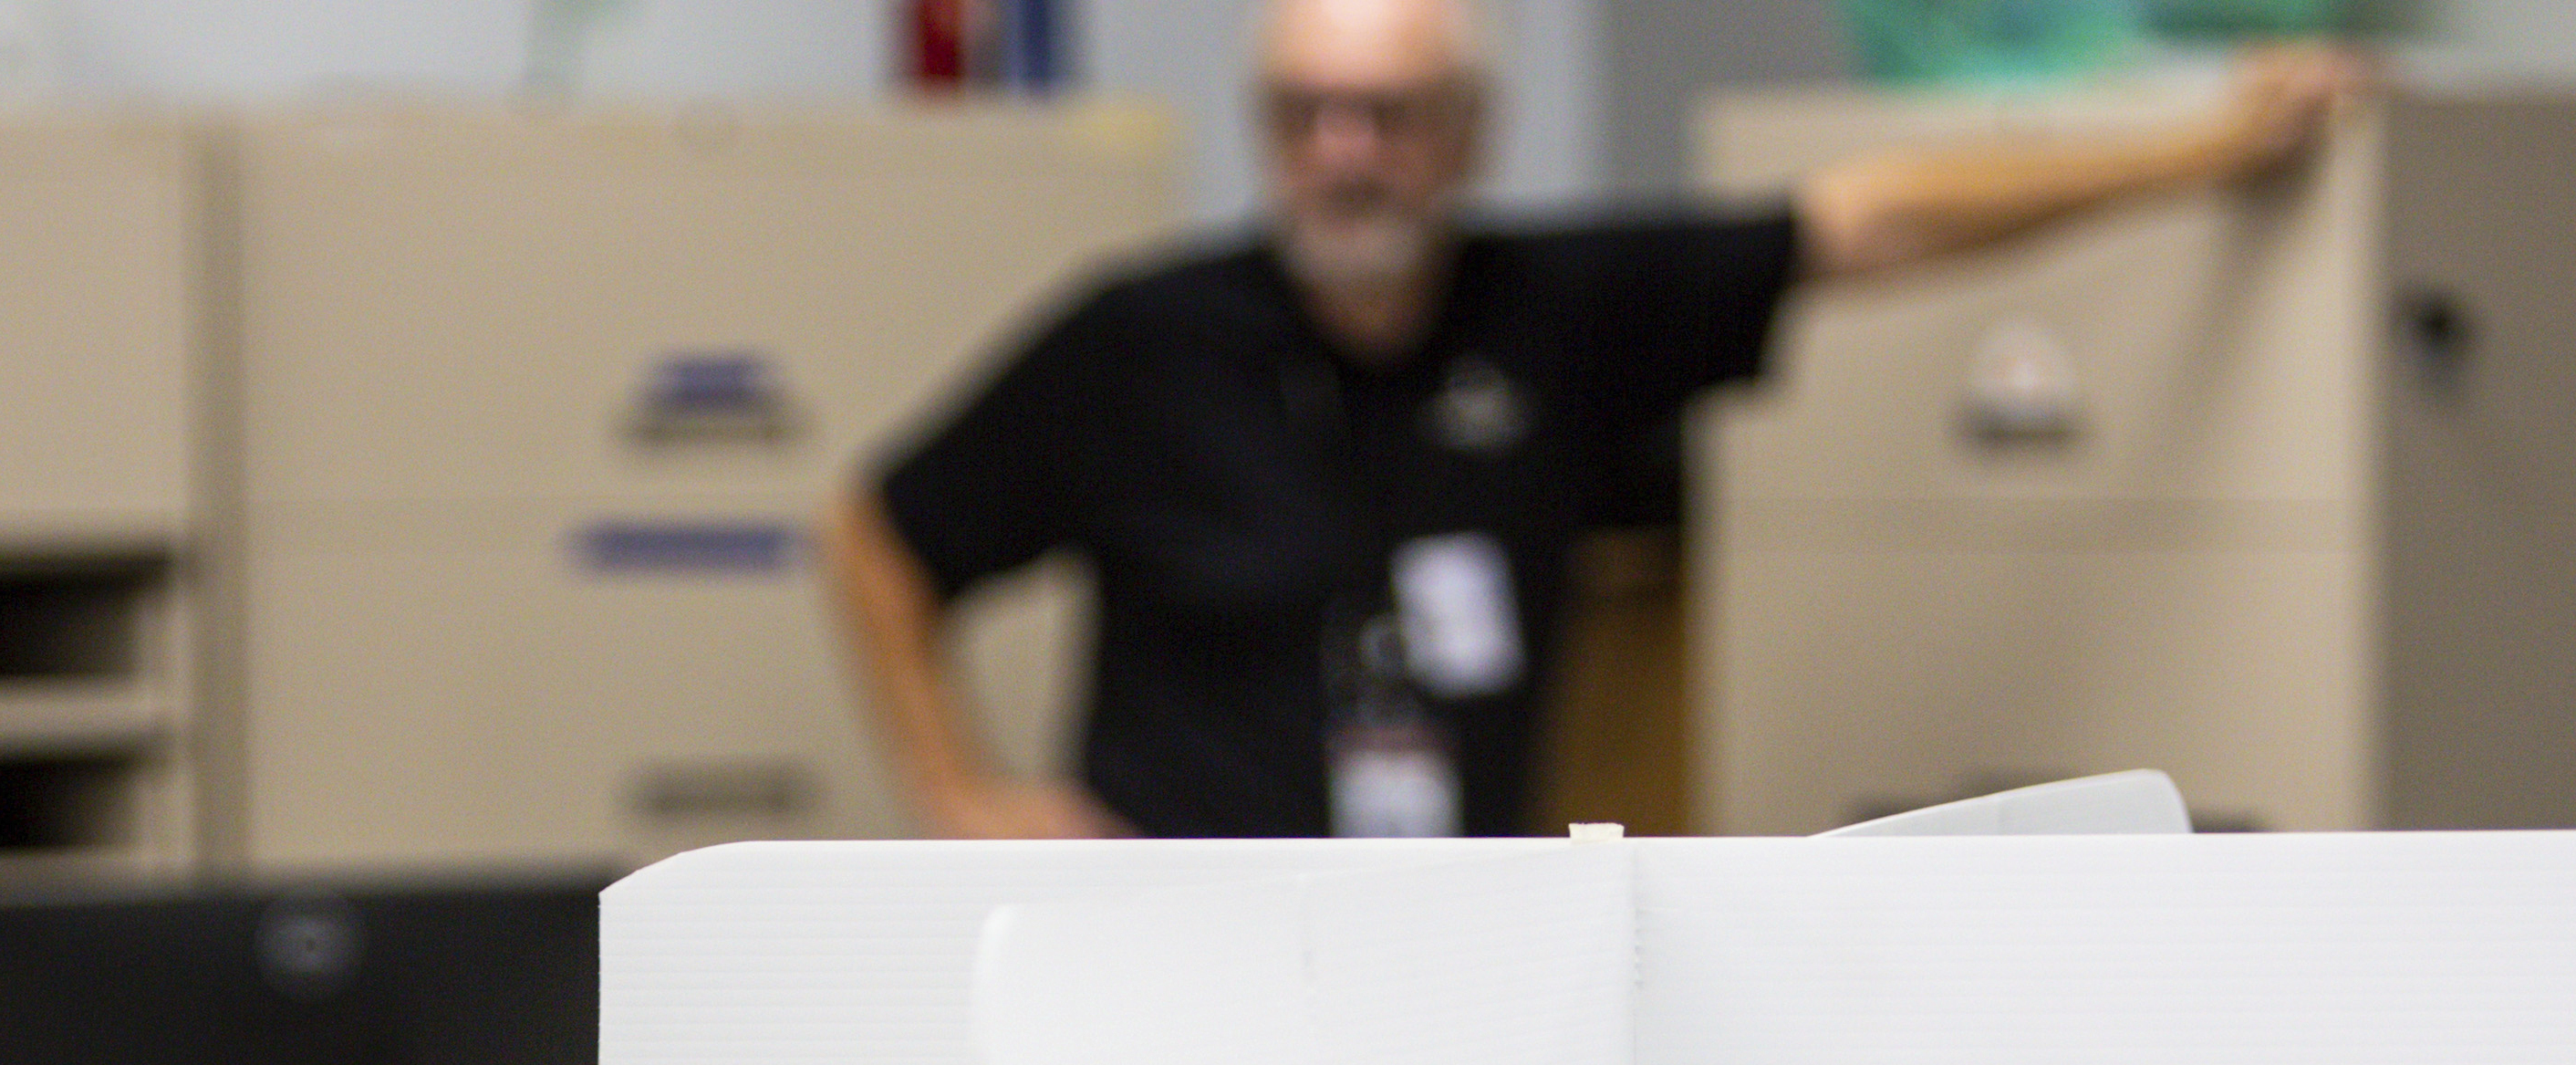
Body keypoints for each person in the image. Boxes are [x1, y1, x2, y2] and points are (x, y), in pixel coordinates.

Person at [824, 0, 2363, 843]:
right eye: (1302, 114)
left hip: (1459, 934)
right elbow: (875, 533)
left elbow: (1876, 221)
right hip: (1173, 942)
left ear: (1469, 133)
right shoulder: (1139, 342)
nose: (1342, 154)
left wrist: (2196, 151)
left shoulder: (1557, 312)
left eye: (1387, 115)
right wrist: (962, 800)